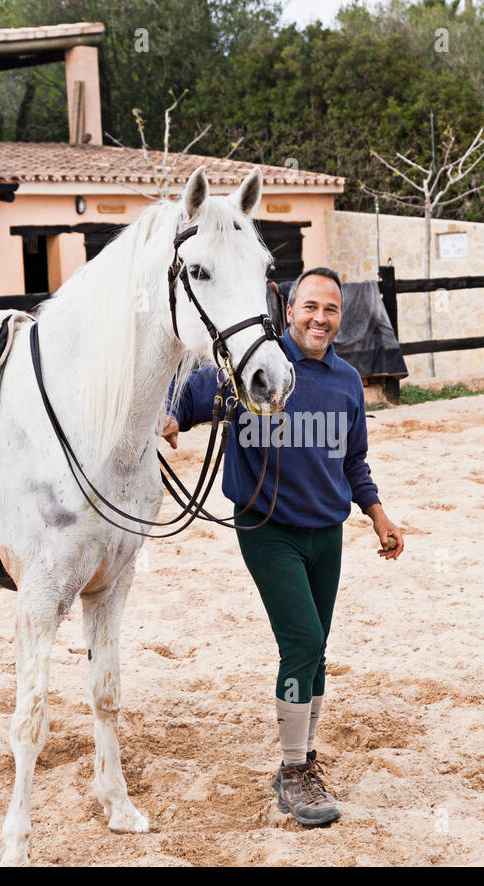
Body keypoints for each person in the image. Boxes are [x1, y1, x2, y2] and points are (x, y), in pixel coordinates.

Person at [162, 266, 404, 827]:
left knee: (317, 650)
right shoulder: (254, 368)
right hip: (267, 528)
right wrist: (171, 417)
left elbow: (353, 461)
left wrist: (378, 516)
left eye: (332, 309)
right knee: (302, 643)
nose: (321, 318)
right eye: (310, 306)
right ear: (289, 308)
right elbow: (191, 395)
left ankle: (305, 757)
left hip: (327, 531)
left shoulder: (345, 380)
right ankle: (294, 770)